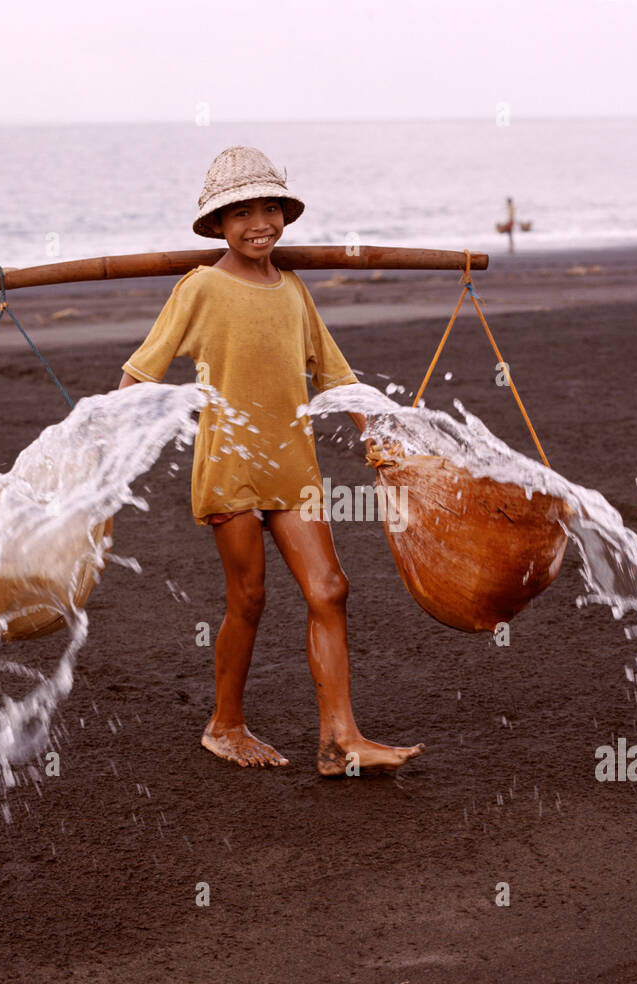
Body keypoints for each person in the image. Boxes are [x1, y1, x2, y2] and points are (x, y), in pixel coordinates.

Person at [117, 146, 424, 776]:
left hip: (294, 468)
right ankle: (224, 725)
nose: (260, 223)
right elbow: (140, 370)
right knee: (249, 598)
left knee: (330, 589)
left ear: (284, 213)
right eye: (242, 213)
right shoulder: (199, 287)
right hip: (230, 467)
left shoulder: (295, 291)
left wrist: (378, 438)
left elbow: (336, 376)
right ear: (219, 224)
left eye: (270, 209)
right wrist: (98, 444)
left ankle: (340, 741)